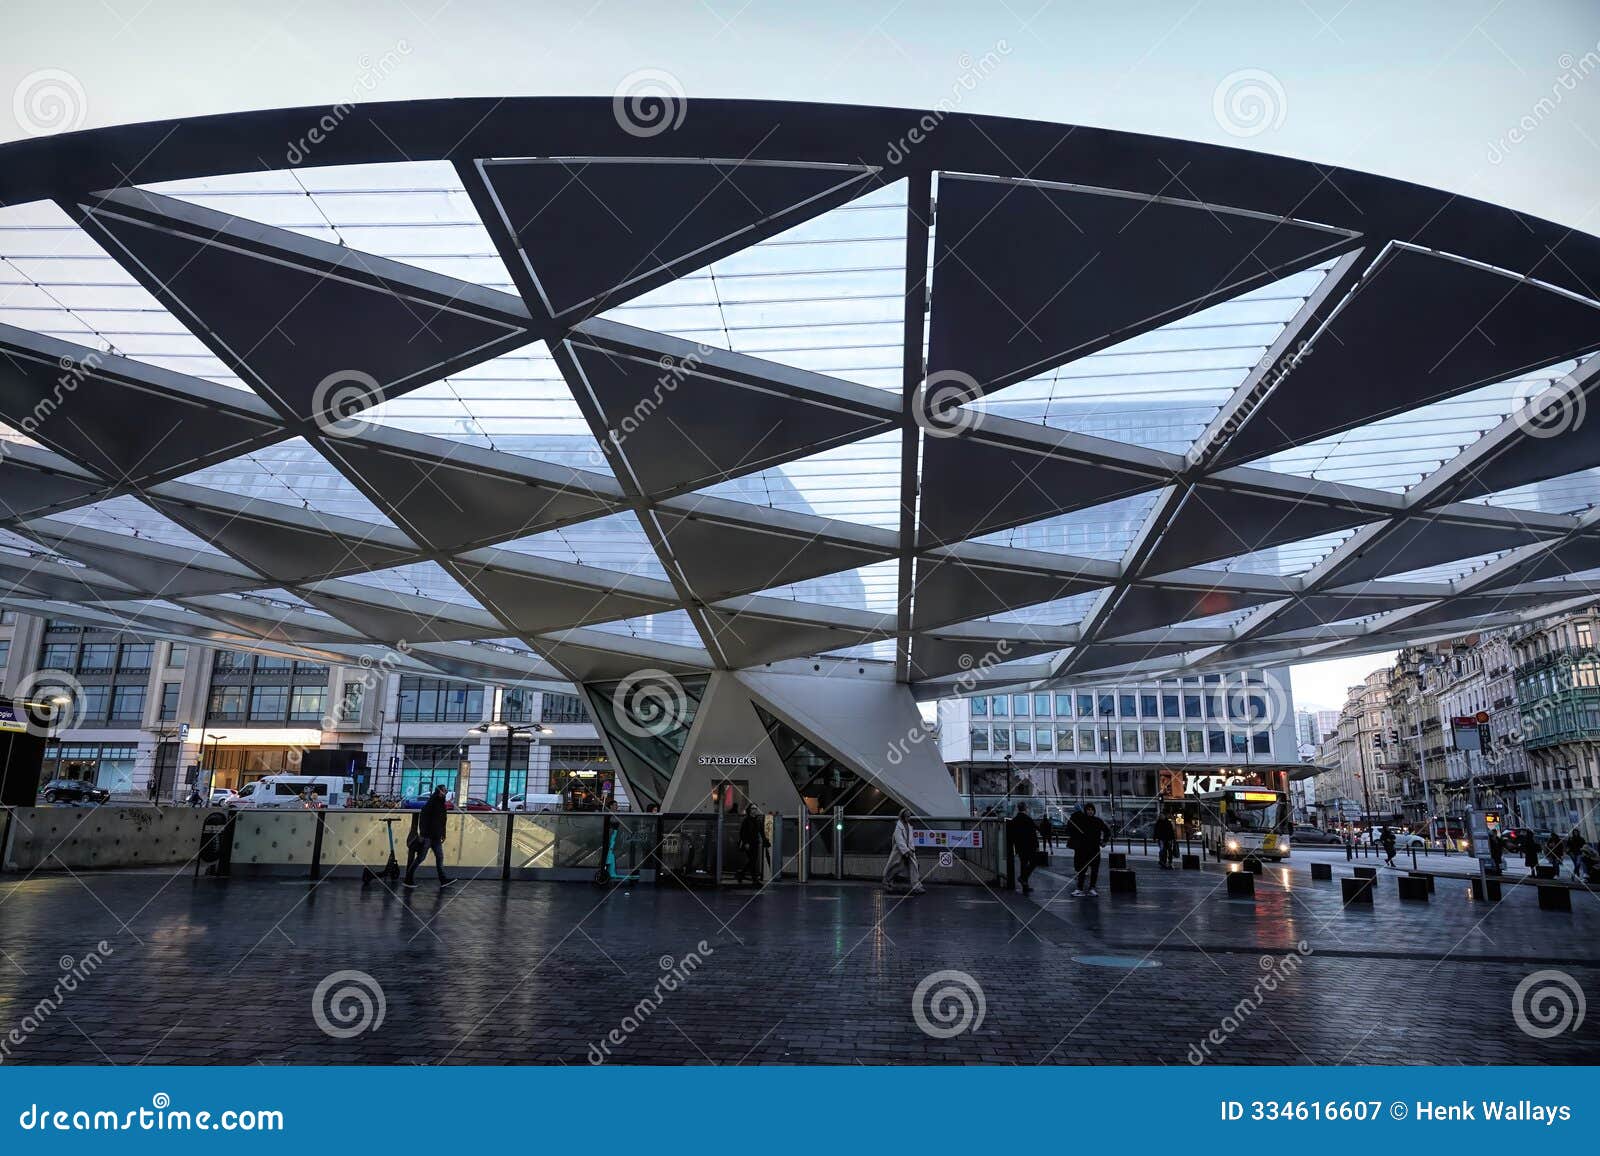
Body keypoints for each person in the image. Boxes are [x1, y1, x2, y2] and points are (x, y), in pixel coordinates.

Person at [403, 785, 453, 888]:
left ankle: (443, 879)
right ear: (439, 791)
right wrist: (422, 834)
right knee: (421, 858)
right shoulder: (431, 803)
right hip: (428, 836)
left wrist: (443, 833)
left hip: (436, 836)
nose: (446, 792)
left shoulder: (441, 804)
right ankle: (408, 879)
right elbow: (423, 819)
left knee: (439, 857)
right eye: (444, 790)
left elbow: (443, 821)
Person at [1065, 803, 1111, 897]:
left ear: (1094, 811)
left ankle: (1092, 888)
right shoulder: (1081, 820)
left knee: (1094, 870)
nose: (1090, 811)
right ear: (1085, 811)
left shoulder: (1097, 821)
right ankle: (1079, 888)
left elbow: (1107, 831)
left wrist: (1104, 841)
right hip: (1083, 849)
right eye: (1088, 809)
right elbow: (1070, 827)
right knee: (1082, 870)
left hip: (1094, 849)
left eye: (1091, 810)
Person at [882, 808, 925, 895]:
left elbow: (911, 840)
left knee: (914, 867)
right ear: (903, 816)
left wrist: (911, 849)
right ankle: (887, 882)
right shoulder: (898, 827)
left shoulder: (909, 826)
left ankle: (917, 886)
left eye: (909, 816)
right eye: (907, 816)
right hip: (899, 852)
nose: (909, 818)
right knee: (897, 867)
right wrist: (906, 851)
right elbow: (899, 841)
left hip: (908, 851)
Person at [1007, 803, 1040, 895]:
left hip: (1019, 846)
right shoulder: (1028, 819)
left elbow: (1011, 835)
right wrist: (1037, 845)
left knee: (1023, 864)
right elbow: (1033, 834)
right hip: (1030, 846)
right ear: (1026, 809)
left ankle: (1025, 886)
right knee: (1034, 862)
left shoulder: (1014, 820)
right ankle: (1023, 878)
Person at [736, 803, 768, 885]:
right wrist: (746, 842)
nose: (755, 810)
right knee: (752, 861)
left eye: (756, 808)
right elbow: (742, 833)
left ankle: (741, 874)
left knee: (752, 861)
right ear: (750, 810)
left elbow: (761, 831)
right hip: (749, 843)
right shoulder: (746, 820)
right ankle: (754, 880)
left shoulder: (757, 820)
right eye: (753, 808)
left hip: (755, 843)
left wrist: (764, 840)